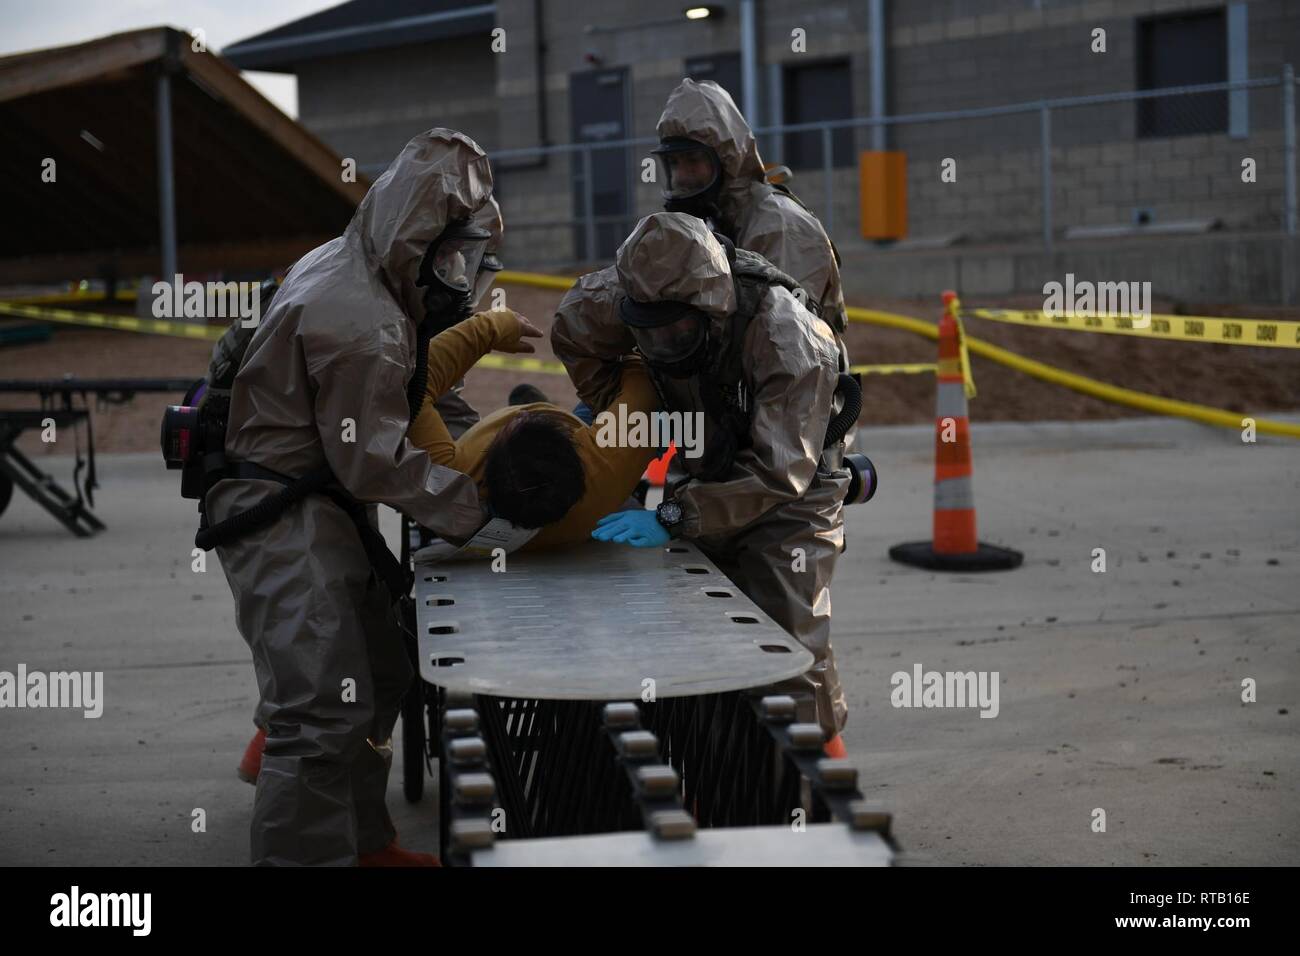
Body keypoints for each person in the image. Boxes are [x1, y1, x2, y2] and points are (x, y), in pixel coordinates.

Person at [208, 128, 508, 866]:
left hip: (317, 501)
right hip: (281, 516)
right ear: (415, 237)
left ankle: (364, 844)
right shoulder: (364, 322)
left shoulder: (355, 266)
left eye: (467, 259)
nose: (457, 276)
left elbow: (404, 407)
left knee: (376, 674)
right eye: (450, 256)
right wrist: (483, 516)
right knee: (317, 710)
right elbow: (378, 461)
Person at [553, 212, 852, 748]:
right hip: (700, 465)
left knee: (787, 649)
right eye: (649, 331)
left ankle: (818, 802)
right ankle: (722, 786)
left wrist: (674, 514)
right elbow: (571, 330)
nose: (662, 341)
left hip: (793, 488)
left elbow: (779, 471)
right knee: (697, 643)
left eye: (677, 330)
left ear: (711, 307)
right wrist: (634, 414)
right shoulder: (621, 296)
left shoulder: (789, 337)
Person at [404, 309, 660, 548]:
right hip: (591, 504)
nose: (523, 413)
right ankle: (559, 416)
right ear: (579, 450)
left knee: (438, 412)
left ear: (487, 462)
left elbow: (412, 383)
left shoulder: (454, 487)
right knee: (606, 395)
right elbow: (644, 374)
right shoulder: (609, 461)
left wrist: (489, 327)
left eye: (519, 418)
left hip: (481, 491)